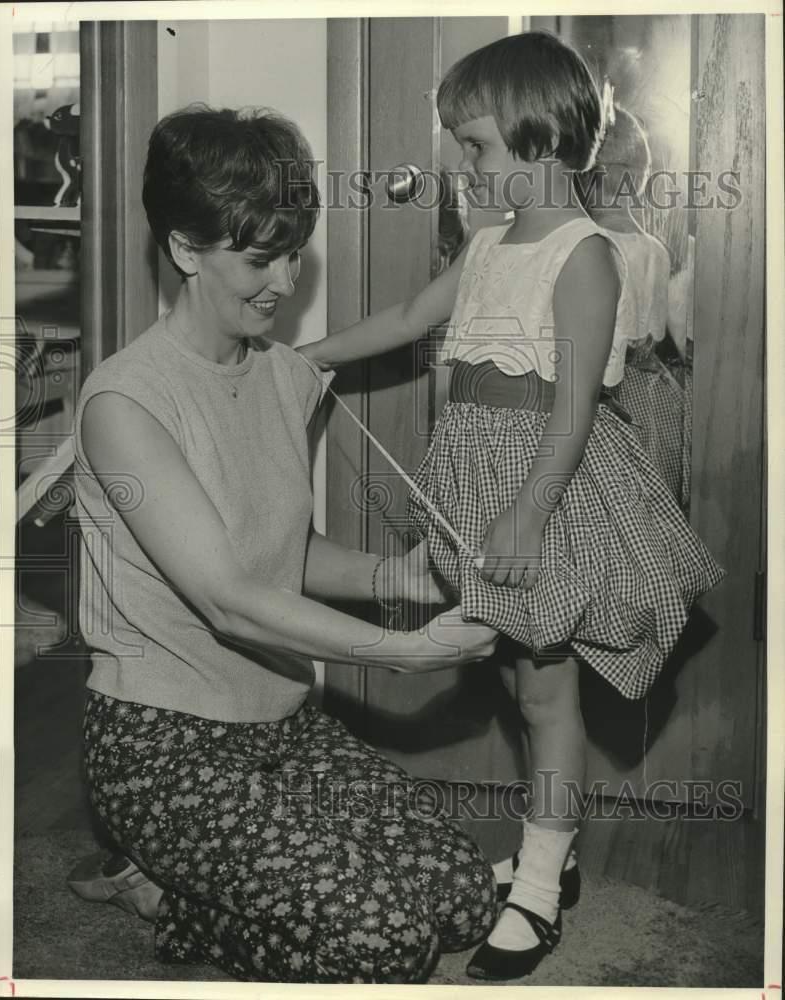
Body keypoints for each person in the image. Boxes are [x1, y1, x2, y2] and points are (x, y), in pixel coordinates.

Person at [299, 31, 725, 981]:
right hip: (475, 480)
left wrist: (529, 512)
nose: (464, 166)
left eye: (477, 146)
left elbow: (573, 404)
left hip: (545, 486)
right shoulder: (490, 243)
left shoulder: (583, 255)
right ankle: (551, 850)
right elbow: (409, 319)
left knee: (544, 691)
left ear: (541, 140)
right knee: (508, 678)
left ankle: (536, 885)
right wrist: (307, 356)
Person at [69, 104, 501, 984]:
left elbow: (278, 550)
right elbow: (229, 598)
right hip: (161, 745)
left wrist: (397, 577)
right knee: (382, 940)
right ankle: (158, 892)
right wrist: (404, 653)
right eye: (259, 259)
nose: (284, 281)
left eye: (294, 253)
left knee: (459, 897)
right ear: (186, 249)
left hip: (280, 721)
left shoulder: (282, 373)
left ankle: (206, 882)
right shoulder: (125, 404)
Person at [584, 102, 688, 503]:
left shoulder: (595, 246)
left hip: (611, 396)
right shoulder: (657, 250)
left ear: (591, 176)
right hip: (653, 393)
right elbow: (656, 333)